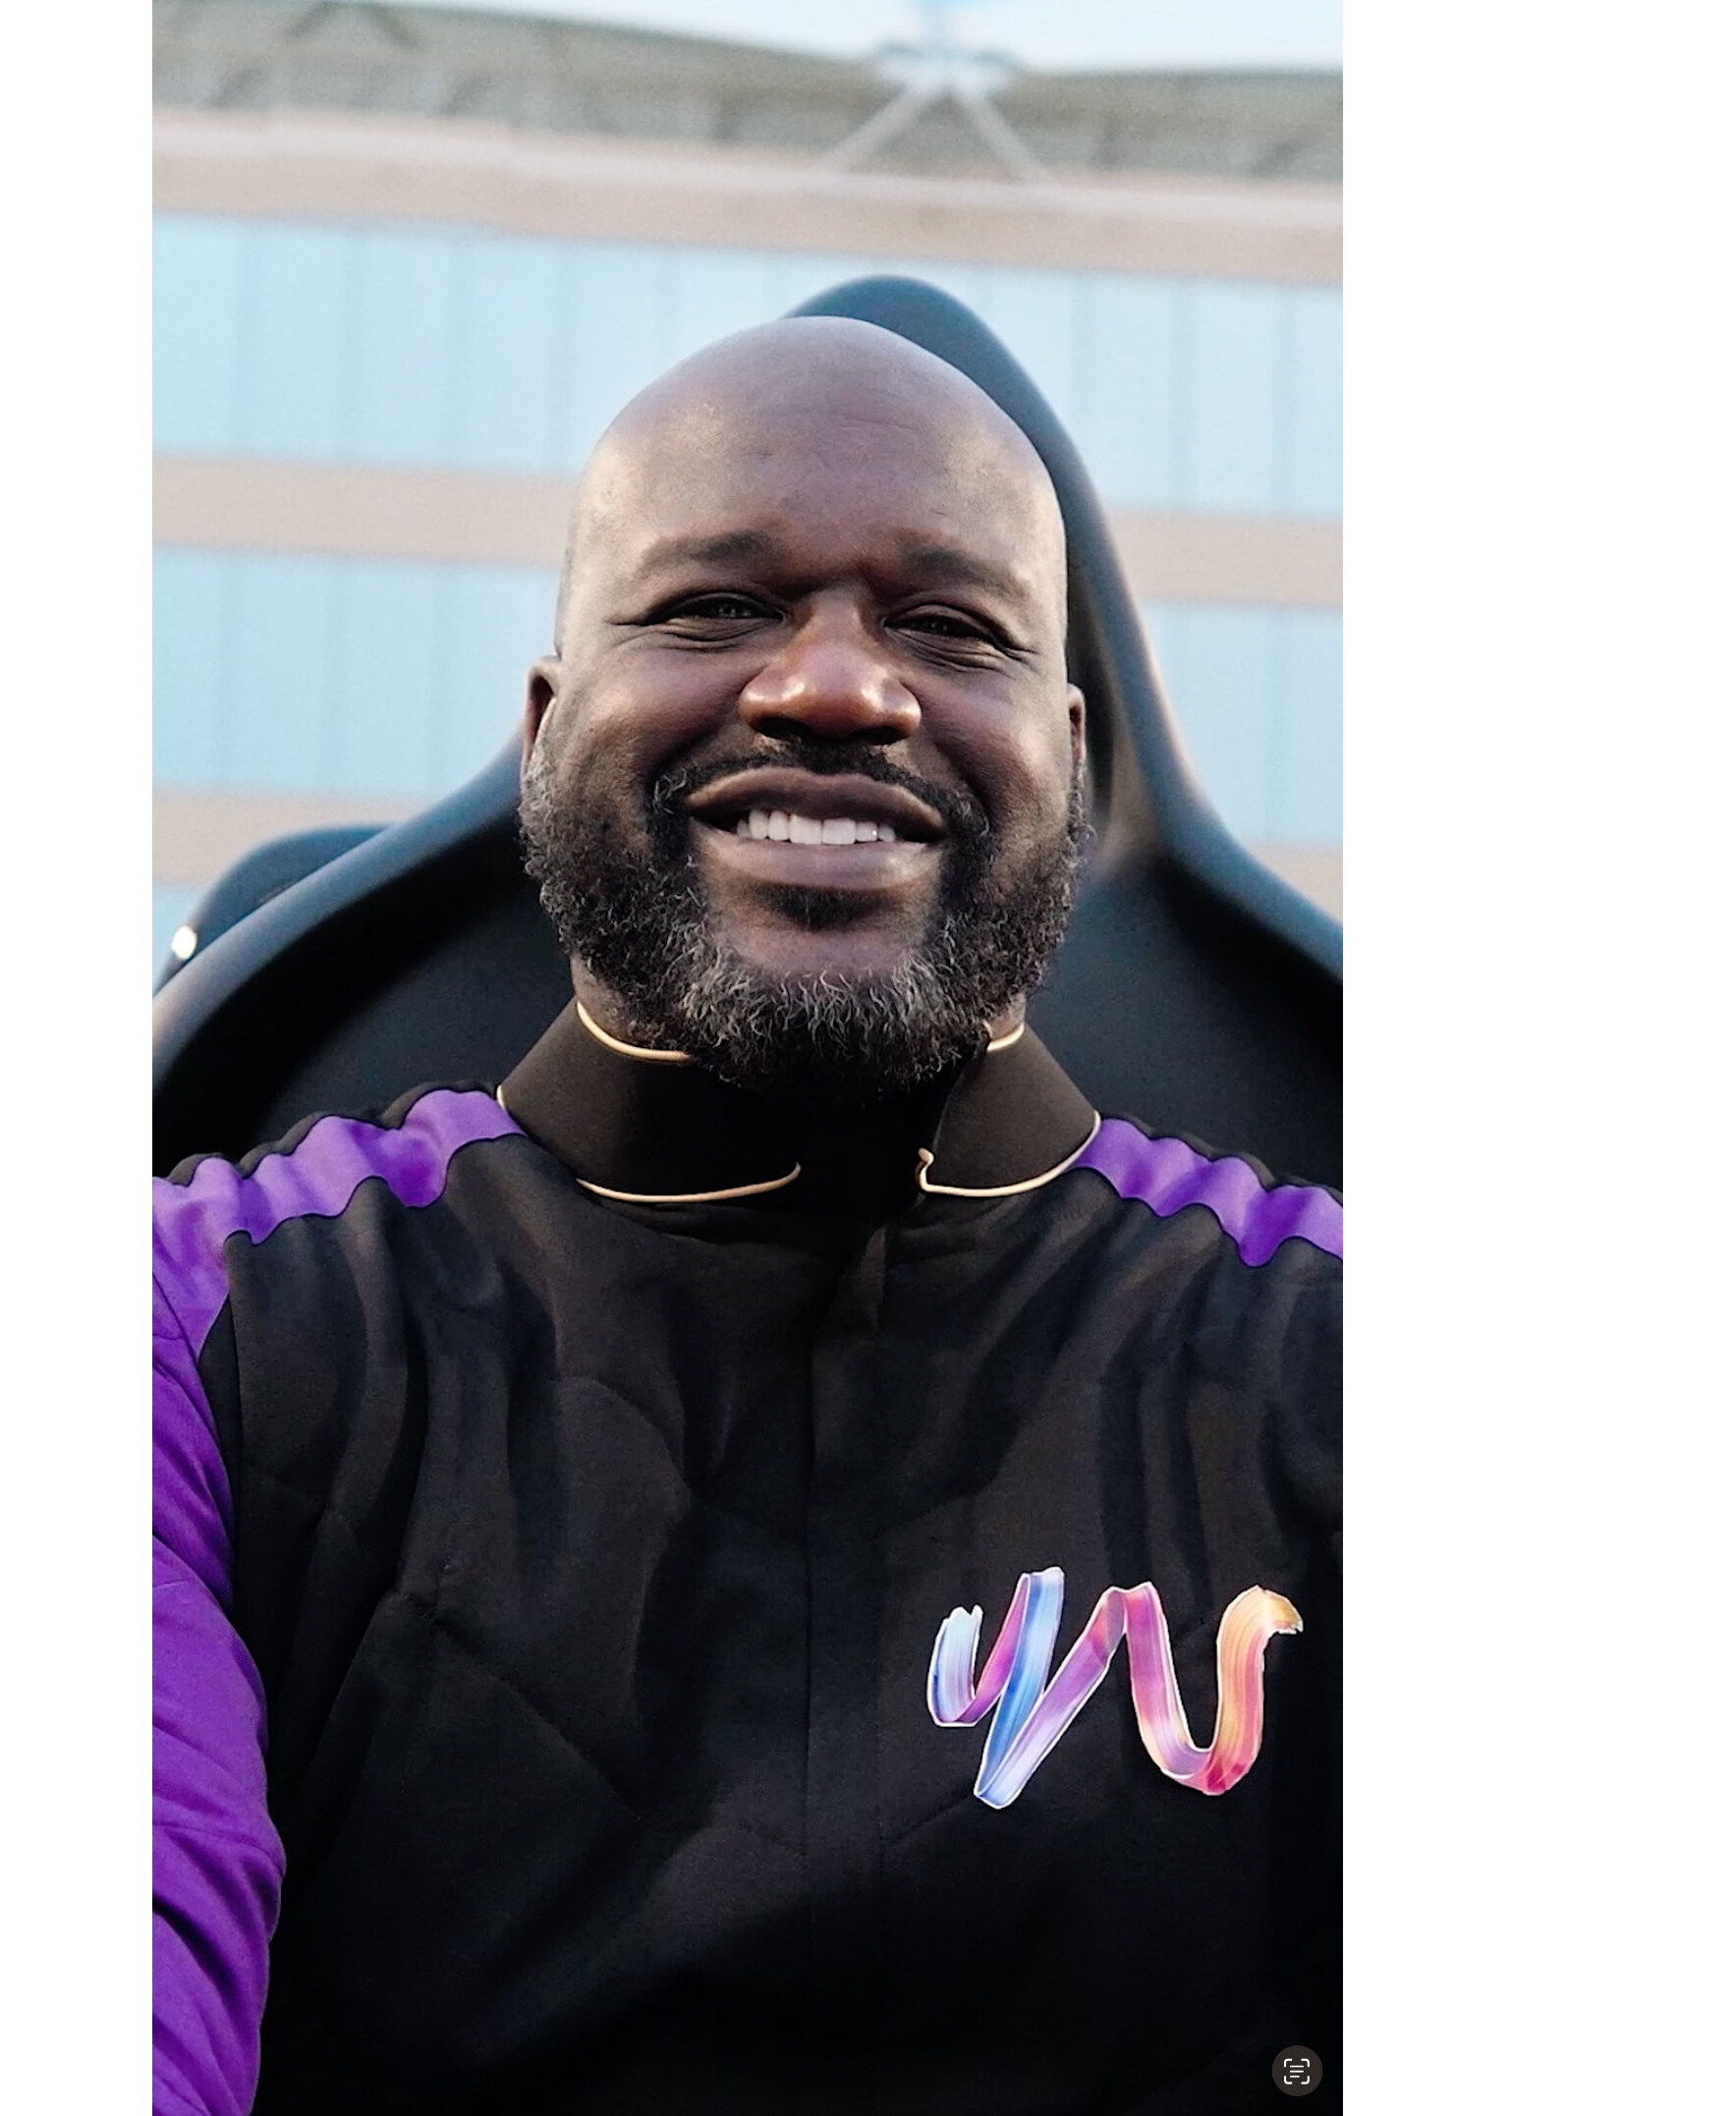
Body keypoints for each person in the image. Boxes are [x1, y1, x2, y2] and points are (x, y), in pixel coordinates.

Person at [154, 316, 1341, 2114]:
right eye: (714, 605)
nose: (839, 688)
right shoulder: (195, 1328)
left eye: (951, 627)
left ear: (1068, 760)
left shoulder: (1336, 1357)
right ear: (546, 730)